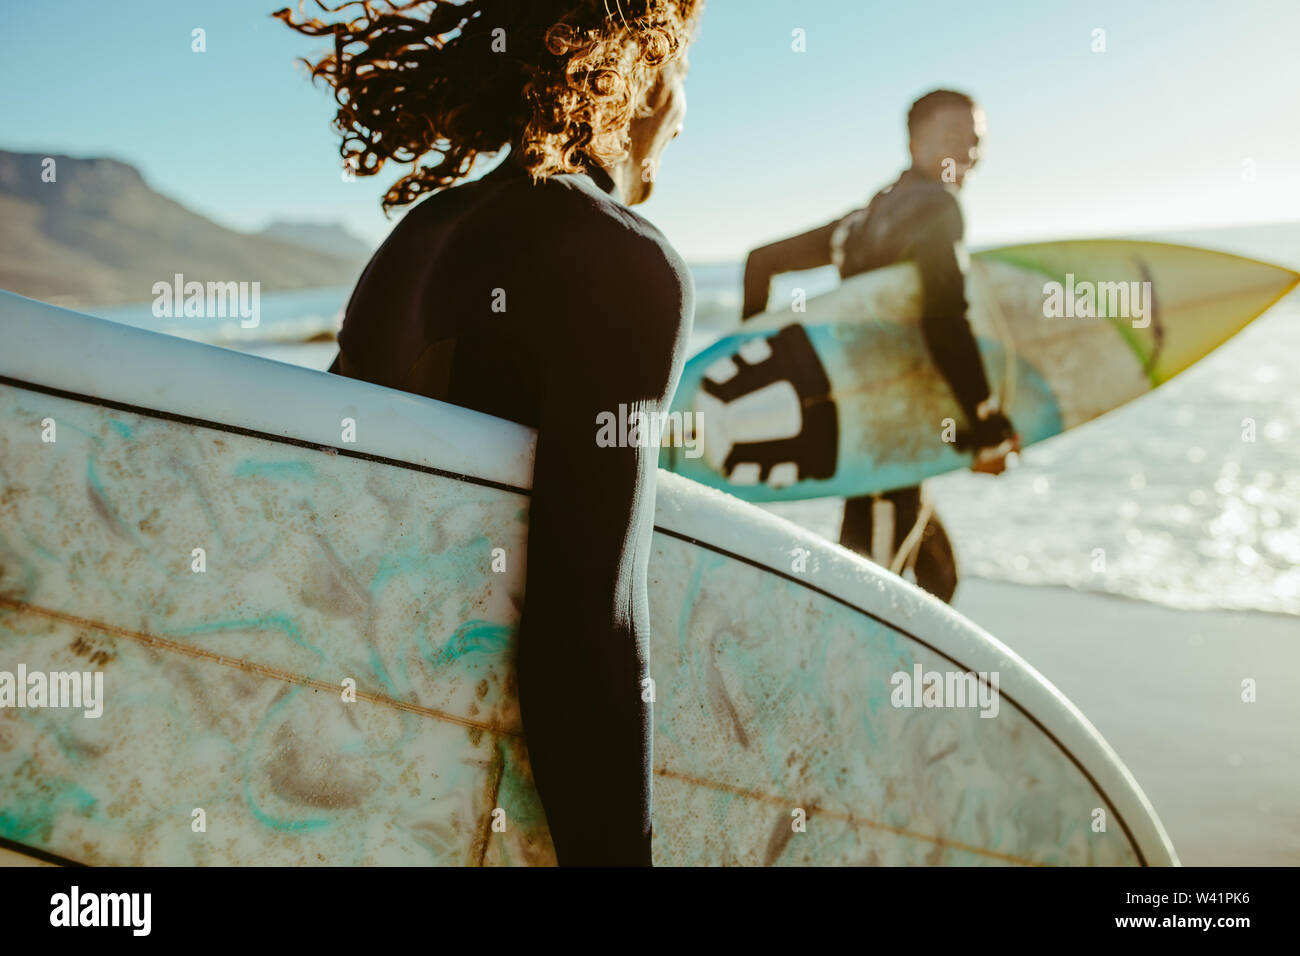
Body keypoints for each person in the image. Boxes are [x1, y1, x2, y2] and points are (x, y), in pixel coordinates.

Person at [277, 0, 702, 866]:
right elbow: (589, 616)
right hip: (464, 812)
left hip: (332, 778)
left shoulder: (418, 237)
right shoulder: (621, 259)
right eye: (685, 69)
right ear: (645, 69)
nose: (684, 104)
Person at [740, 89, 1017, 604]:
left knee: (939, 579)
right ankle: (827, 683)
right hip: (889, 440)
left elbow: (761, 263)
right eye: (953, 138)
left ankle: (910, 683)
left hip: (866, 426)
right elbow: (944, 322)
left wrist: (749, 362)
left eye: (976, 141)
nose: (969, 152)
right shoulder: (939, 205)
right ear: (916, 141)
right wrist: (984, 423)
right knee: (862, 606)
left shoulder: (865, 218)